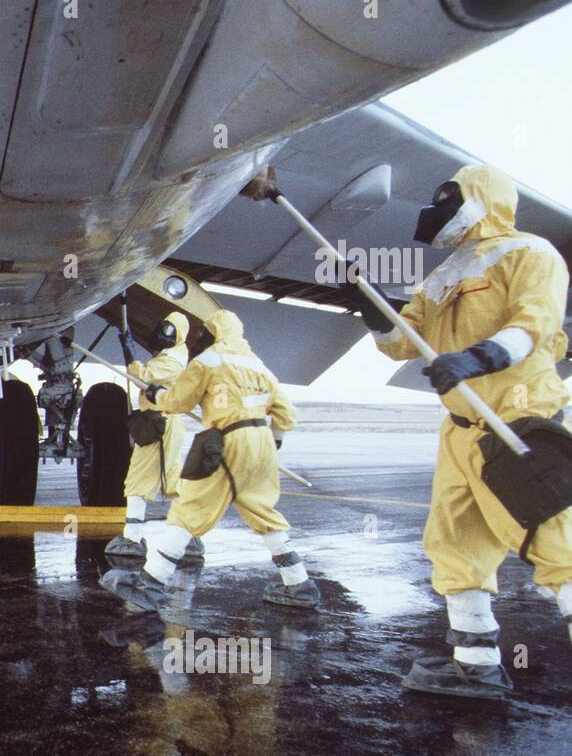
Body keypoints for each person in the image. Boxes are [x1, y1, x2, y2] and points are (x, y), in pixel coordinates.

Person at [350, 163, 571, 700]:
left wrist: (476, 359)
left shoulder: (532, 253)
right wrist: (370, 307)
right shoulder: (443, 274)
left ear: (477, 199)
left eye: (450, 200)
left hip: (516, 415)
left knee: (553, 536)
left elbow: (534, 323)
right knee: (455, 544)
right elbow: (405, 341)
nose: (438, 213)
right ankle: (475, 665)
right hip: (462, 428)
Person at [104, 309, 321, 613]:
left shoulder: (208, 361)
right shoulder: (258, 365)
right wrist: (273, 439)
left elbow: (178, 401)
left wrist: (156, 395)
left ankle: (151, 585)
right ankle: (299, 584)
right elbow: (287, 414)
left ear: (216, 333)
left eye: (205, 332)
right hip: (262, 442)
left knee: (188, 509)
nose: (200, 338)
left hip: (226, 440)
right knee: (264, 513)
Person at [106, 311, 192, 560]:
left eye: (169, 331)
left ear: (179, 336)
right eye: (163, 328)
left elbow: (141, 376)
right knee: (173, 481)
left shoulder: (172, 362)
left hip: (157, 425)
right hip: (168, 424)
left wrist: (128, 350)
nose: (162, 334)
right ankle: (190, 537)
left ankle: (132, 539)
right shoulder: (172, 355)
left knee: (137, 480)